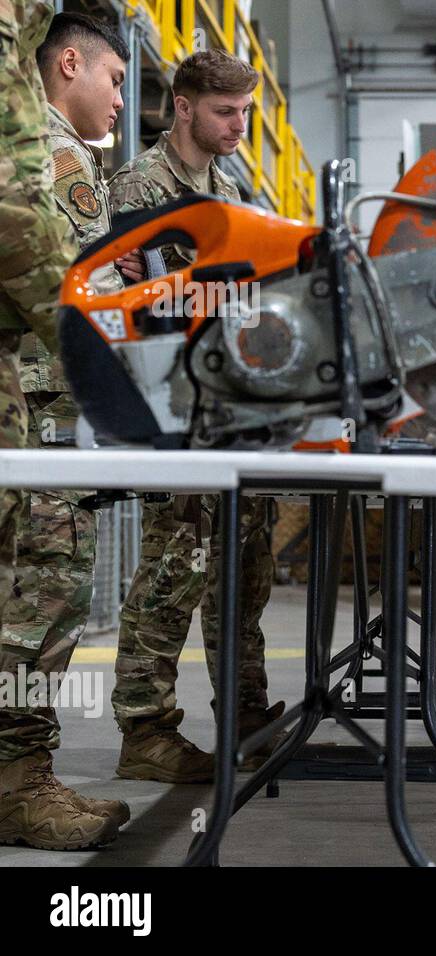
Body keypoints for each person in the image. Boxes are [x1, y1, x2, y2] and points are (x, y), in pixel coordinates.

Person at [107, 50, 282, 783]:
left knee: (244, 564)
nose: (239, 124)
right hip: (171, 410)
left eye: (245, 111)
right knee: (175, 567)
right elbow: (128, 312)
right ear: (183, 106)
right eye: (225, 111)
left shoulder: (226, 183)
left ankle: (243, 709)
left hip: (227, 408)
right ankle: (145, 729)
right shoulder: (143, 189)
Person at [0, 1, 121, 851]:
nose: (120, 97)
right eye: (115, 77)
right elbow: (50, 266)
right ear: (66, 64)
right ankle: (18, 780)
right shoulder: (45, 147)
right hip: (38, 404)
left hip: (37, 396)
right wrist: (102, 369)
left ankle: (23, 773)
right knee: (41, 589)